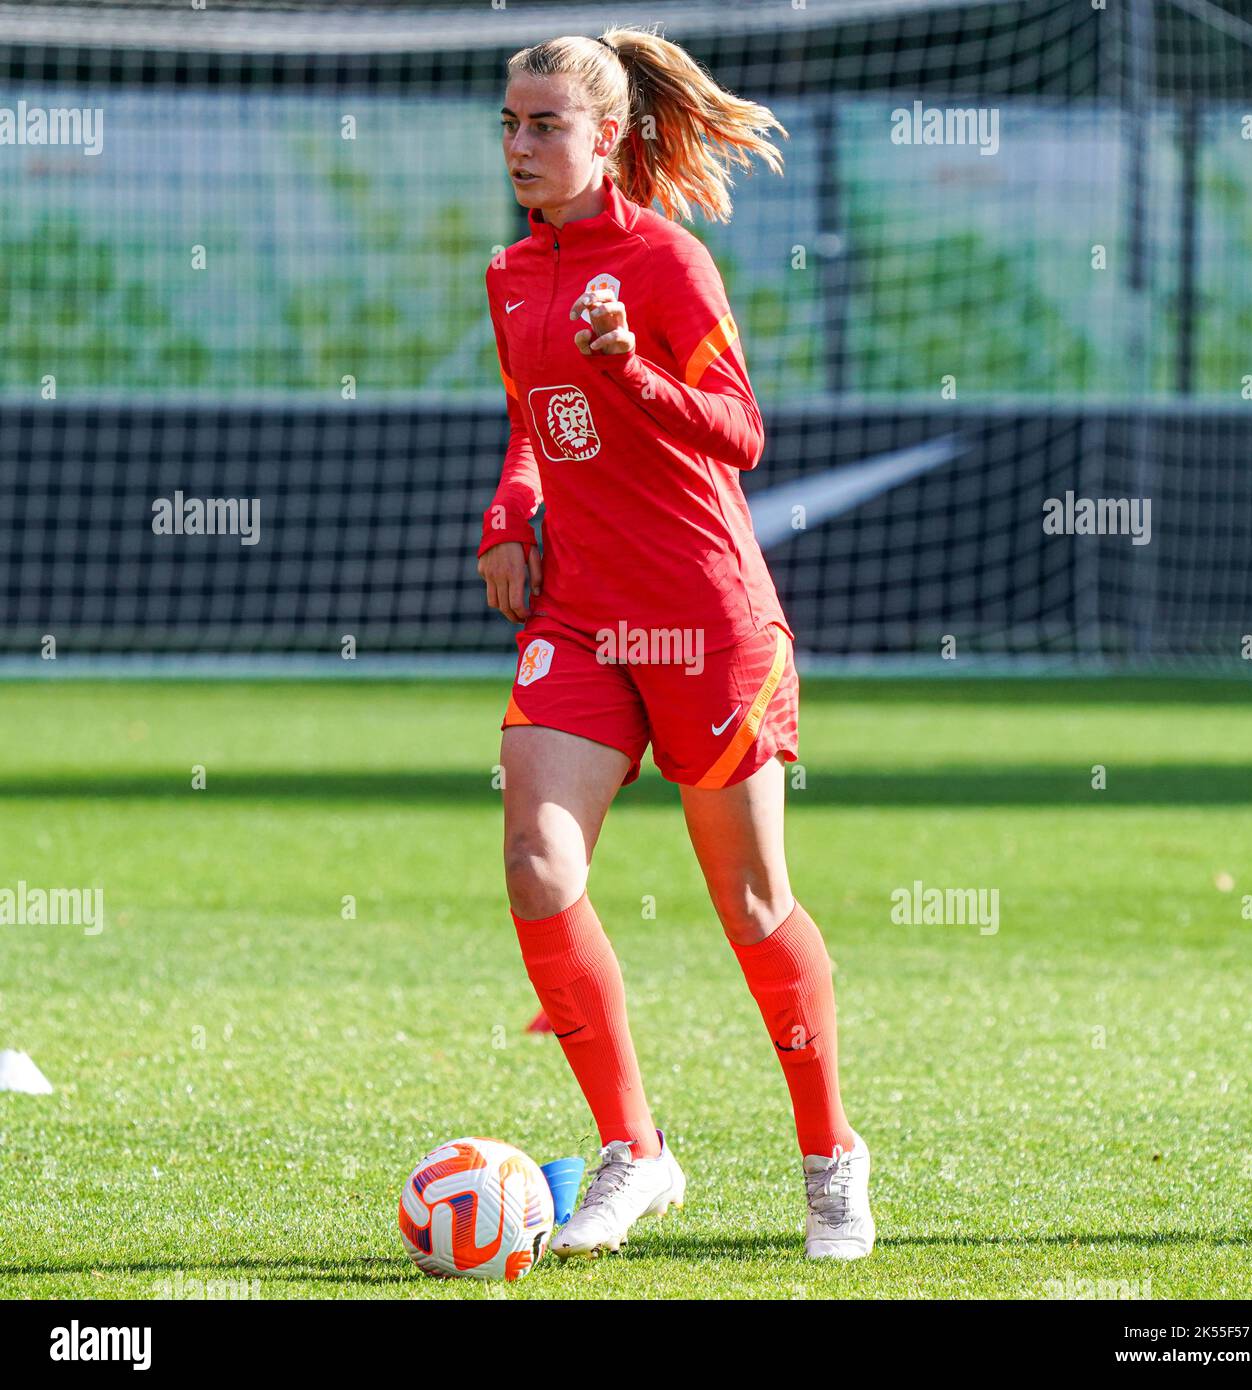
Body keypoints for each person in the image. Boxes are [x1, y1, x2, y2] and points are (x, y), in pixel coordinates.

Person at [477, 24, 874, 1262]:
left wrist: (632, 370)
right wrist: (511, 514)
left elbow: (740, 431)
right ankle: (633, 1151)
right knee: (538, 866)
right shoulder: (509, 272)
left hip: (706, 618)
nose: (521, 145)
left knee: (751, 903)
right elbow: (533, 420)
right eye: (511, 124)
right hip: (581, 616)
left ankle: (830, 1159)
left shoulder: (666, 262)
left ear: (606, 136)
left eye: (547, 125)